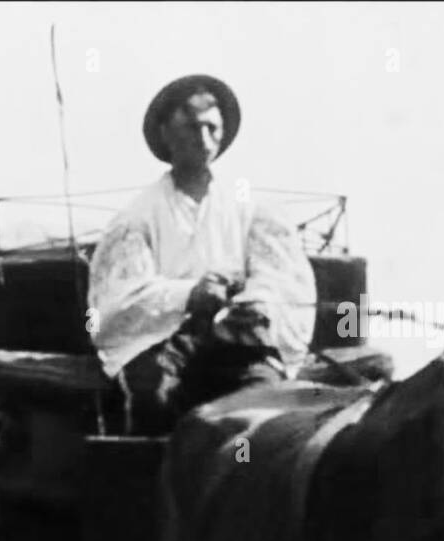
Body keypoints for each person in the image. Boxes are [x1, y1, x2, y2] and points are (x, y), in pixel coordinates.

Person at [88, 75, 318, 435]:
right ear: (165, 133)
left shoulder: (253, 209)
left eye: (213, 127)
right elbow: (115, 304)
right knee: (154, 401)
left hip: (238, 343)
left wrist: (257, 303)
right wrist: (190, 295)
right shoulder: (136, 218)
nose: (203, 137)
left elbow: (285, 282)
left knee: (265, 408)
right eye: (191, 126)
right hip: (166, 344)